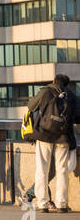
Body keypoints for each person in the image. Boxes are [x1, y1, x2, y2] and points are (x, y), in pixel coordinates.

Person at [26, 74, 77, 212]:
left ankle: (42, 203)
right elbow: (77, 115)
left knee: (42, 169)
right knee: (62, 170)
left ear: (54, 81)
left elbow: (30, 106)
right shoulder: (71, 95)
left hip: (44, 134)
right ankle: (62, 204)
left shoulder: (45, 91)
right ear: (67, 84)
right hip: (63, 136)